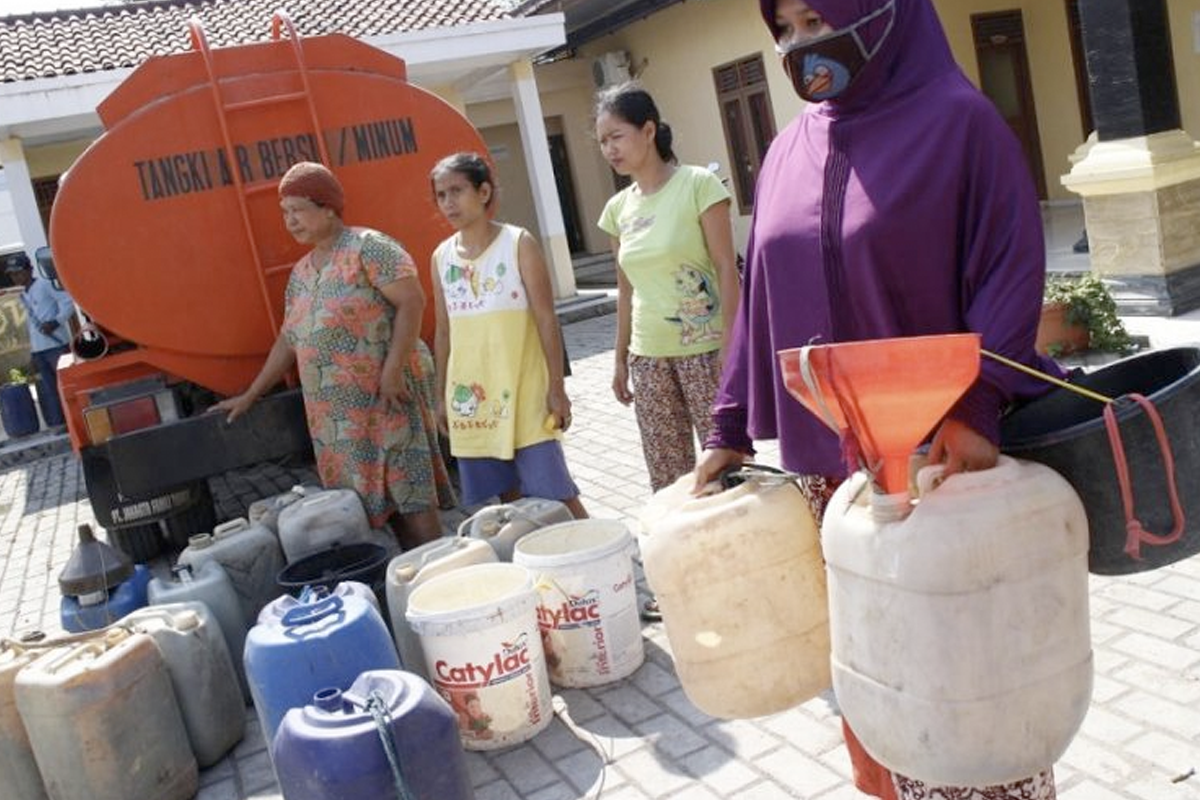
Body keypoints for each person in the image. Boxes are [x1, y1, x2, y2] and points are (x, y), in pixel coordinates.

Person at [695, 1, 1063, 798]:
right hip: (842, 489)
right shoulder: (789, 149)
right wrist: (727, 423)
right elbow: (762, 294)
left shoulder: (960, 126)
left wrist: (977, 407)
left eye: (814, 15)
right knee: (881, 692)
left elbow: (1009, 268)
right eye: (784, 26)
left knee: (971, 703)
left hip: (949, 475)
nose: (800, 44)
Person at [214, 161, 453, 549]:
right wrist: (252, 394)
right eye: (285, 212)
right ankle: (413, 571)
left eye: (298, 209)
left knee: (408, 490)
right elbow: (290, 339)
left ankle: (438, 568)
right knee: (371, 502)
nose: (290, 221)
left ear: (328, 207)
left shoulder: (370, 248)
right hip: (338, 419)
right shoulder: (302, 273)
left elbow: (413, 302)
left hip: (386, 397)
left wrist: (392, 371)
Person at [594, 84, 741, 493]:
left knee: (726, 465)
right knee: (668, 478)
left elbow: (727, 269)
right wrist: (621, 358)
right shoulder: (617, 209)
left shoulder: (698, 185)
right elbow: (625, 290)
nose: (610, 149)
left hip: (705, 351)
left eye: (616, 136)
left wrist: (732, 342)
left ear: (648, 130)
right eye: (603, 141)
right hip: (649, 357)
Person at [429, 152, 586, 518]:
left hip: (525, 389)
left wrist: (556, 389)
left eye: (457, 190)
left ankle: (607, 555)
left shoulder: (518, 244)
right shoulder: (441, 258)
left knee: (555, 492)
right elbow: (443, 332)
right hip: (475, 397)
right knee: (509, 500)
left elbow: (547, 320)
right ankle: (537, 565)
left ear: (483, 192)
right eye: (441, 194)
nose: (448, 202)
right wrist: (440, 397)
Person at [6, 253, 74, 431]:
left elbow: (68, 302)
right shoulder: (17, 295)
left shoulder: (45, 285)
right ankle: (57, 423)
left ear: (29, 270)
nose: (16, 277)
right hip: (35, 350)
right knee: (46, 389)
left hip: (56, 346)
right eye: (12, 274)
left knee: (65, 385)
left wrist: (57, 321)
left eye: (19, 272)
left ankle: (74, 421)